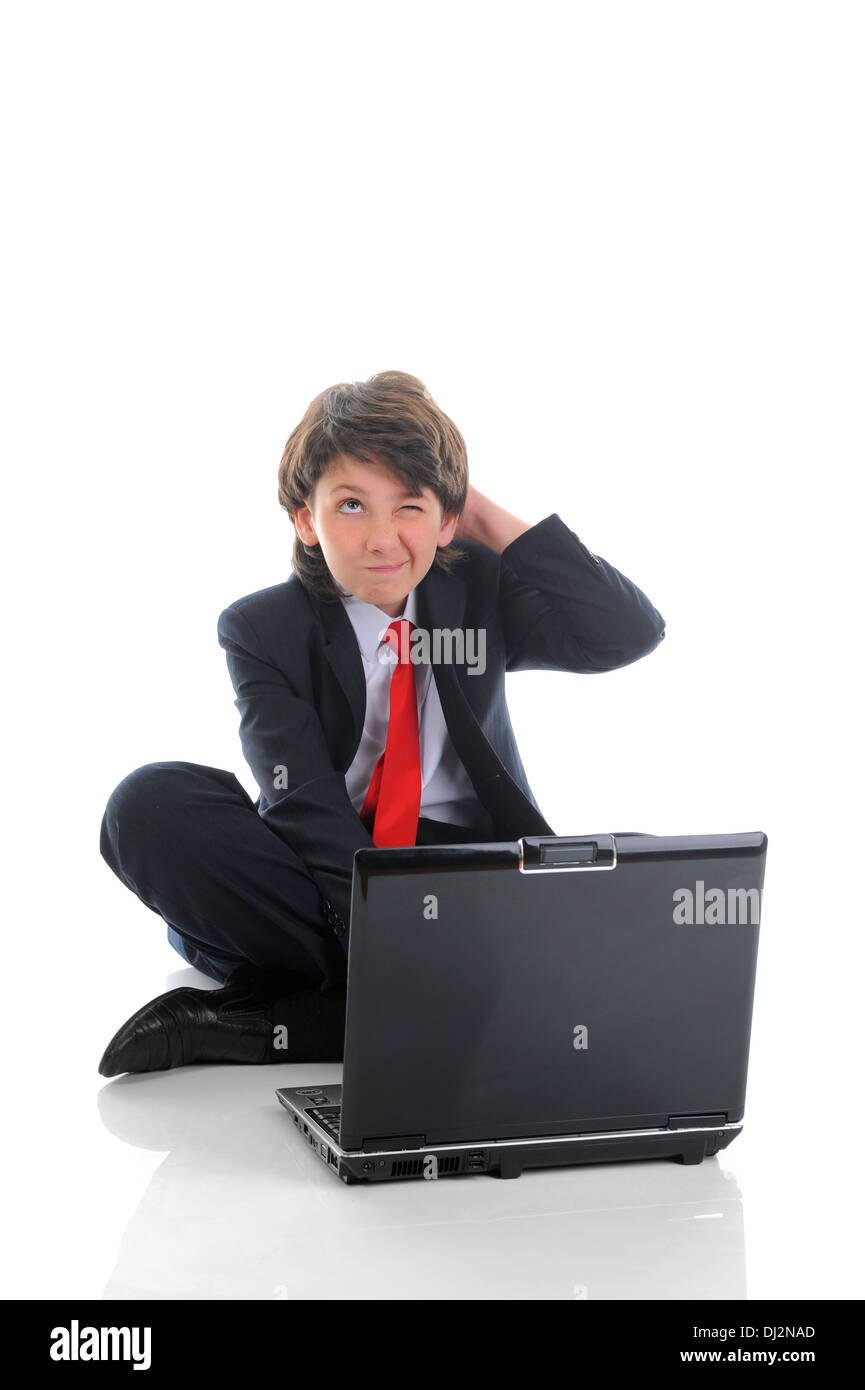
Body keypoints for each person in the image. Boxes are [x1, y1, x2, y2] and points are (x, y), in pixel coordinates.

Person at [98, 369, 666, 1076]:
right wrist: (390, 931)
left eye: (408, 507)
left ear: (448, 517)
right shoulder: (262, 628)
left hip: (469, 870)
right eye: (350, 506)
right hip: (332, 863)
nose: (382, 539)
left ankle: (293, 1018)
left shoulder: (472, 594)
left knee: (646, 880)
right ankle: (447, 993)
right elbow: (303, 806)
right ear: (305, 520)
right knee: (147, 805)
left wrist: (471, 511)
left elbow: (624, 633)